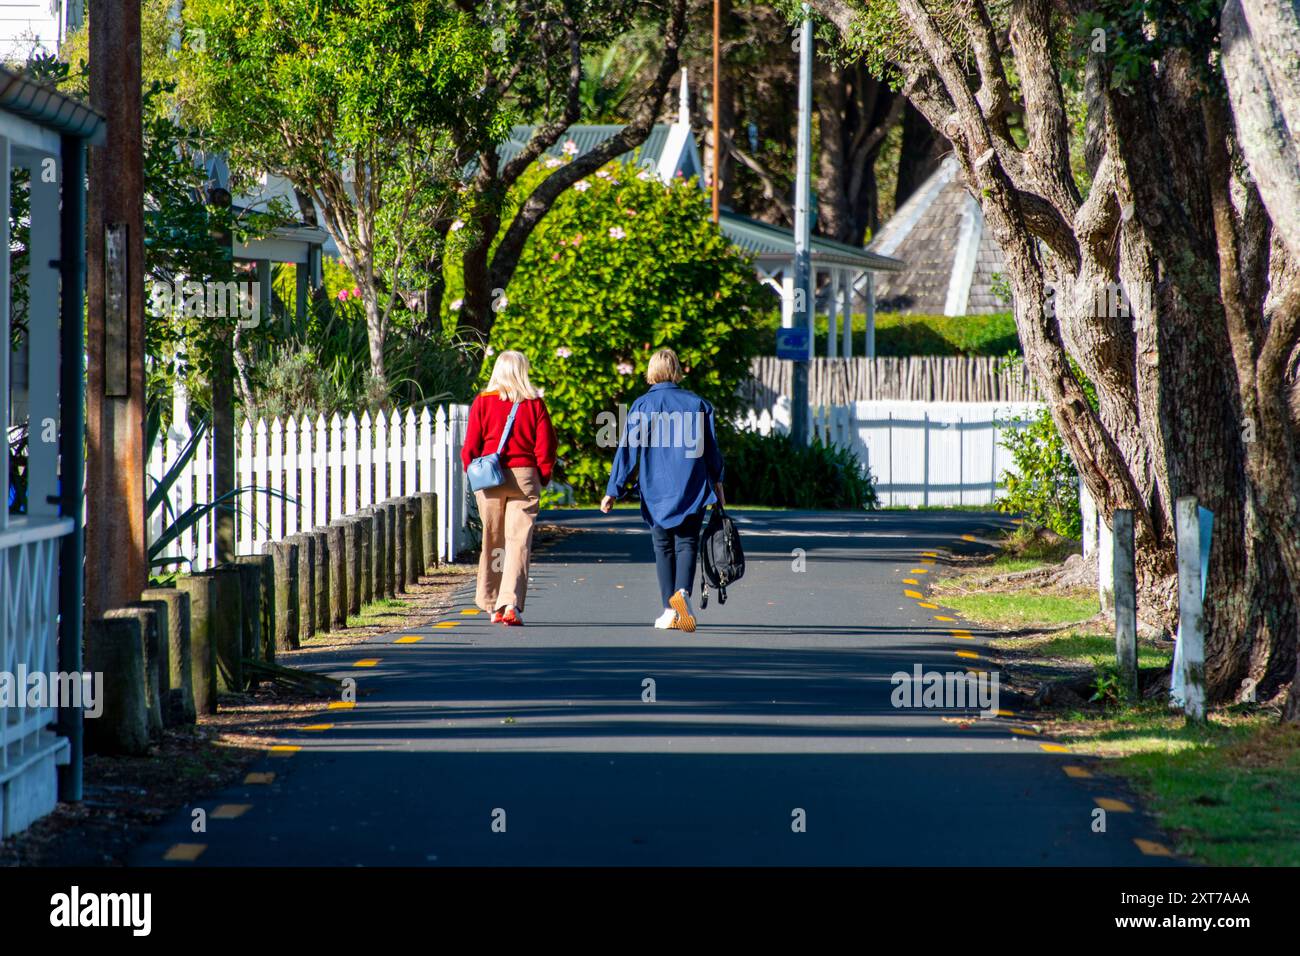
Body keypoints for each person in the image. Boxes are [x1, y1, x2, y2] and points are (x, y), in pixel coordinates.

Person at [601, 348, 725, 632]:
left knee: (663, 547)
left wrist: (613, 490)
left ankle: (669, 609)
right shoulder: (697, 404)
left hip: (655, 489)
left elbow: (628, 451)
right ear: (676, 370)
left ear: (651, 372)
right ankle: (682, 593)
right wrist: (718, 482)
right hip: (692, 488)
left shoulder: (642, 406)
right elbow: (712, 450)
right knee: (687, 544)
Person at [461, 350, 557, 626]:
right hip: (524, 476)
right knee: (518, 543)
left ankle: (492, 604)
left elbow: (471, 445)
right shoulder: (534, 403)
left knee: (492, 541)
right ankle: (510, 602)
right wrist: (543, 475)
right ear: (522, 371)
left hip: (490, 479)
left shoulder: (482, 402)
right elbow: (546, 445)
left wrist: (471, 469)